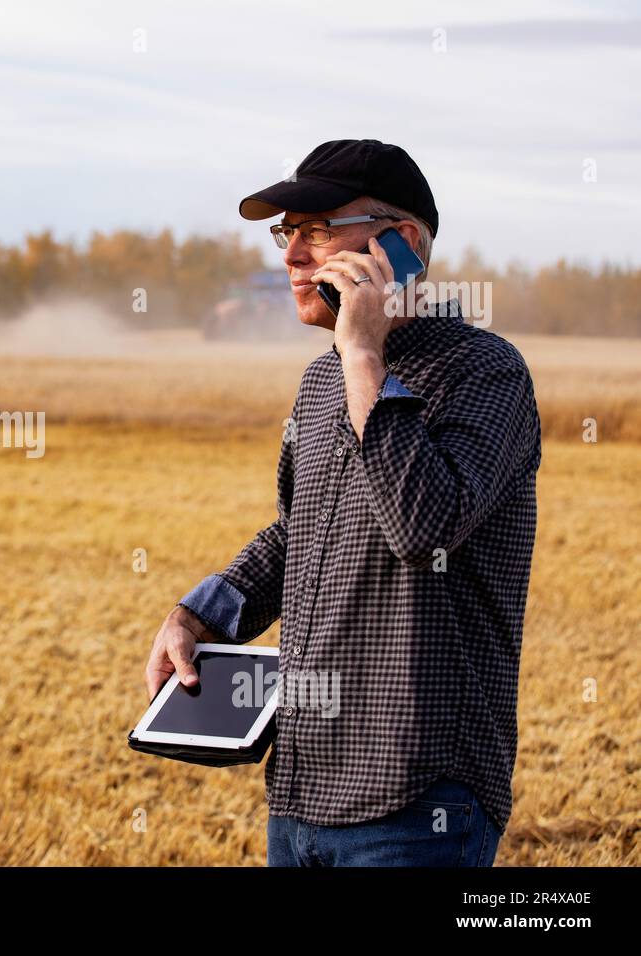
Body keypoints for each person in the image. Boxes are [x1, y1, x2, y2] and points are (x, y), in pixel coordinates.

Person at [143, 140, 541, 866]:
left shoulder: (487, 373)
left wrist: (365, 355)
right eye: (286, 231)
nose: (293, 253)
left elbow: (425, 527)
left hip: (416, 801)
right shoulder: (322, 383)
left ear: (404, 245)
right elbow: (304, 532)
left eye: (319, 228)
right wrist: (200, 614)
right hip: (300, 794)